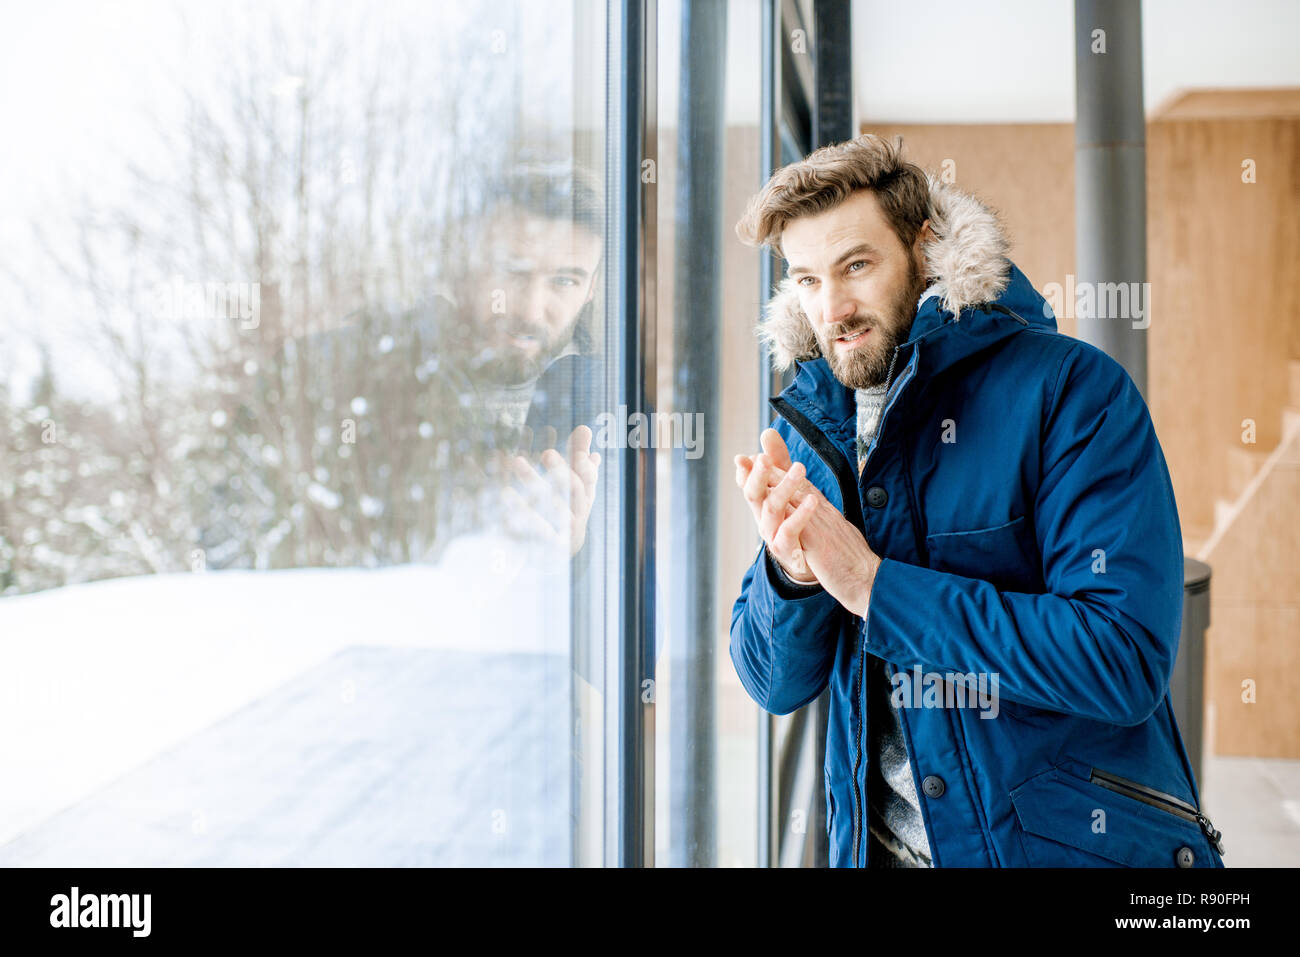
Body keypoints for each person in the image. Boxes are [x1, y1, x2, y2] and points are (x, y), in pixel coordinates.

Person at [728, 133, 1225, 868]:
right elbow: (772, 683)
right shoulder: (811, 423)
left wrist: (873, 584)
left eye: (855, 266)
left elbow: (1122, 660)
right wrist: (793, 574)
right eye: (805, 279)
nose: (831, 307)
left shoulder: (1072, 393)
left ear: (923, 246)